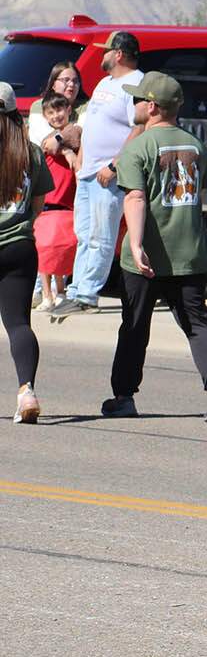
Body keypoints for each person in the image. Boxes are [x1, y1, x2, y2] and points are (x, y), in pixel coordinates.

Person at [102, 72, 207, 422]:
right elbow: (204, 190)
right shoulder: (196, 145)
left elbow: (136, 197)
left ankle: (124, 396)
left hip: (147, 257)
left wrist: (137, 242)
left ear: (153, 107)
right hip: (191, 253)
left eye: (137, 100)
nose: (134, 105)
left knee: (135, 325)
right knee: (196, 322)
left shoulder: (137, 147)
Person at [49, 32, 143, 320]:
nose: (101, 56)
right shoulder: (105, 83)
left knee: (102, 235)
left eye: (106, 51)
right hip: (89, 173)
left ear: (119, 54)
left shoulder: (136, 83)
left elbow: (138, 129)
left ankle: (88, 294)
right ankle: (76, 290)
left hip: (108, 175)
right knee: (85, 234)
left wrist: (114, 165)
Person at [0, 83, 55, 423]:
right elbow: (38, 206)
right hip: (20, 246)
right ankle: (26, 391)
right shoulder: (31, 153)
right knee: (19, 322)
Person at [34, 93, 79, 310]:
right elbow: (48, 147)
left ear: (69, 110)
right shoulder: (48, 138)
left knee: (62, 247)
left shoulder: (75, 131)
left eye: (60, 110)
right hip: (48, 200)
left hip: (67, 202)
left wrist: (68, 148)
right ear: (45, 116)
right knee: (44, 248)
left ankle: (61, 290)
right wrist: (67, 151)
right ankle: (46, 293)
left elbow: (74, 132)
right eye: (51, 113)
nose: (56, 116)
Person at [28, 62, 85, 145]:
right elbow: (45, 141)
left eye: (75, 81)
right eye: (66, 80)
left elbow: (83, 136)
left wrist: (57, 140)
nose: (71, 84)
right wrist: (66, 137)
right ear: (53, 84)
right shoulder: (39, 106)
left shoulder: (87, 106)